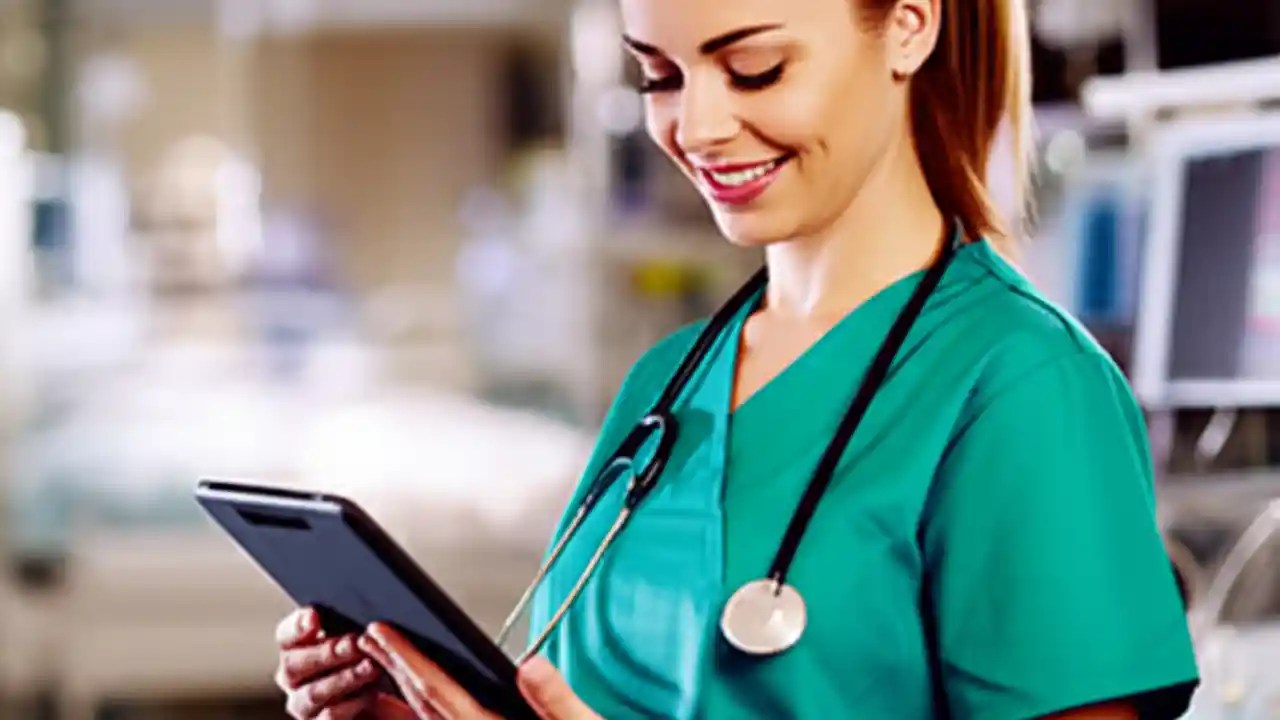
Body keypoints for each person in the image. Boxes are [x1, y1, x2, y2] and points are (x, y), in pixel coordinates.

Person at [271, 0, 1201, 717]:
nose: (697, 127)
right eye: (661, 77)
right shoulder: (668, 383)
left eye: (753, 69)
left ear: (910, 24)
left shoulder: (1021, 388)